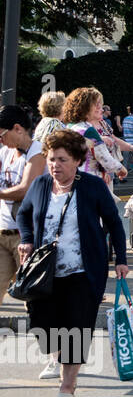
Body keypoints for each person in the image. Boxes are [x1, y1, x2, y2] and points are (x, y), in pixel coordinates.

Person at [16, 129, 129, 397]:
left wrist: (121, 259)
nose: (55, 165)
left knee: (77, 326)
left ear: (77, 161)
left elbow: (114, 223)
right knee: (43, 325)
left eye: (62, 159)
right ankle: (59, 354)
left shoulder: (92, 186)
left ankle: (67, 385)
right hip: (46, 272)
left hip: (83, 270)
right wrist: (27, 240)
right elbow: (23, 214)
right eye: (52, 159)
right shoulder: (41, 185)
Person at [0, 105, 47, 310]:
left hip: (26, 234)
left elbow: (25, 189)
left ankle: (44, 336)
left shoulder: (37, 151)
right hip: (3, 230)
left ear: (17, 128)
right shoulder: (5, 152)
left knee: (31, 293)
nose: (1, 140)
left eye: (2, 134)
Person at [62, 87, 127, 186]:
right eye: (96, 105)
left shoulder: (70, 128)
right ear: (85, 107)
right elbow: (104, 158)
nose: (101, 109)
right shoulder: (89, 130)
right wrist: (121, 169)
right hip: (90, 181)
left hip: (71, 179)